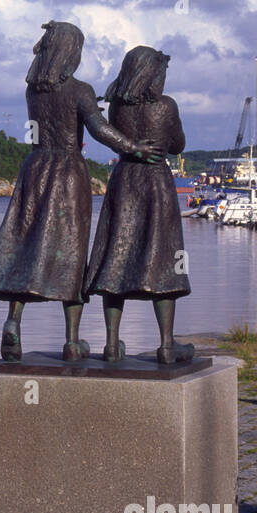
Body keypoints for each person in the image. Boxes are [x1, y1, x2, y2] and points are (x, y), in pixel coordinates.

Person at [0, 22, 160, 362]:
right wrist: (133, 147)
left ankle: (13, 321)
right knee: (73, 253)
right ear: (71, 52)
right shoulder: (80, 90)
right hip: (67, 172)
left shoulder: (33, 91)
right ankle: (72, 342)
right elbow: (99, 129)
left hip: (34, 167)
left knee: (24, 247)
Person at [83, 45, 192, 364]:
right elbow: (178, 145)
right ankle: (166, 345)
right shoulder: (167, 106)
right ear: (152, 73)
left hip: (124, 181)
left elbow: (112, 134)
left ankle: (112, 344)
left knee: (116, 258)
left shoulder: (117, 105)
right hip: (156, 183)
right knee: (166, 261)